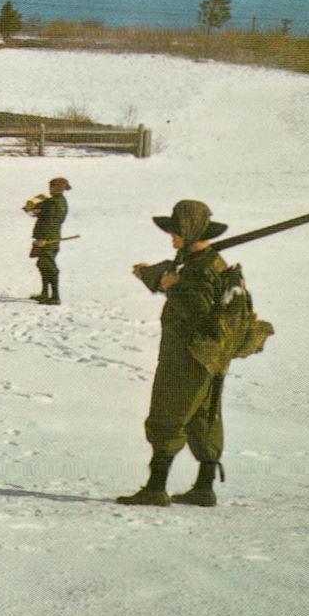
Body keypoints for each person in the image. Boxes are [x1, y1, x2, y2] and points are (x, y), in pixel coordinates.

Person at [117, 200, 234, 508]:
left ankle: (156, 489)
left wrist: (171, 287)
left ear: (189, 230)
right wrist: (152, 276)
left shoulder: (203, 269)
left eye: (175, 232)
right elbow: (175, 275)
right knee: (201, 417)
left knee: (168, 415)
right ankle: (204, 488)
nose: (171, 238)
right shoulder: (201, 262)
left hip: (187, 355)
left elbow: (198, 311)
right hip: (208, 357)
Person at [24, 176, 70, 305]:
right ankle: (45, 293)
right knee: (43, 265)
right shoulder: (56, 201)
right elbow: (36, 213)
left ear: (58, 188)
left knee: (49, 266)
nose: (50, 189)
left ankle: (55, 296)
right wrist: (31, 205)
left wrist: (42, 239)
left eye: (52, 186)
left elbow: (49, 222)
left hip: (48, 238)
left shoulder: (53, 203)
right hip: (50, 237)